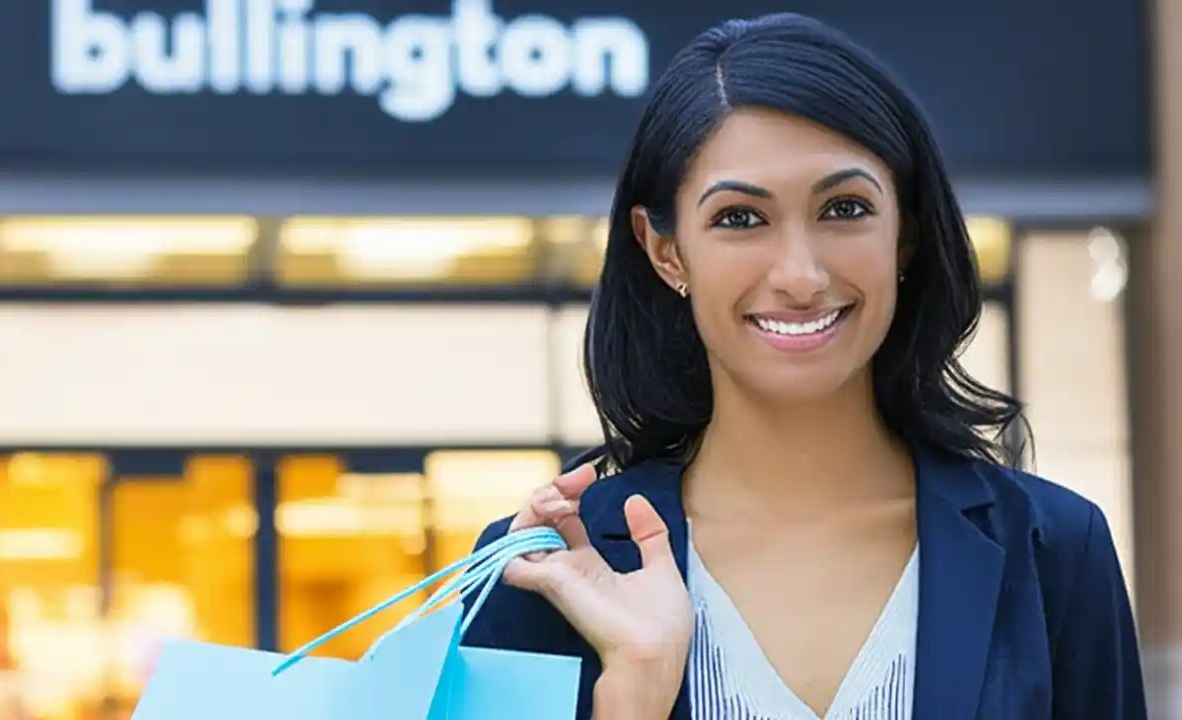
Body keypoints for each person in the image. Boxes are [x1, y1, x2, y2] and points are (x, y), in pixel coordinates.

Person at [459, 12, 1147, 720]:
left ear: (905, 235)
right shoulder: (553, 572)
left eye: (844, 208)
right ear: (666, 252)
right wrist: (634, 693)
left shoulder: (1051, 551)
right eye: (739, 218)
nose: (800, 275)